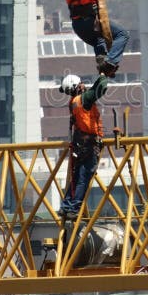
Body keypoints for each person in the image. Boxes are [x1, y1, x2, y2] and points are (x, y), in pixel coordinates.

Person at [58, 72, 108, 217]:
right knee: (83, 177)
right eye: (81, 83)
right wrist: (103, 75)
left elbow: (93, 90)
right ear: (77, 86)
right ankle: (74, 209)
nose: (83, 85)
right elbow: (101, 88)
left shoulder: (74, 102)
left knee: (76, 177)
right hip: (89, 144)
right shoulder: (84, 99)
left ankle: (66, 206)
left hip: (79, 144)